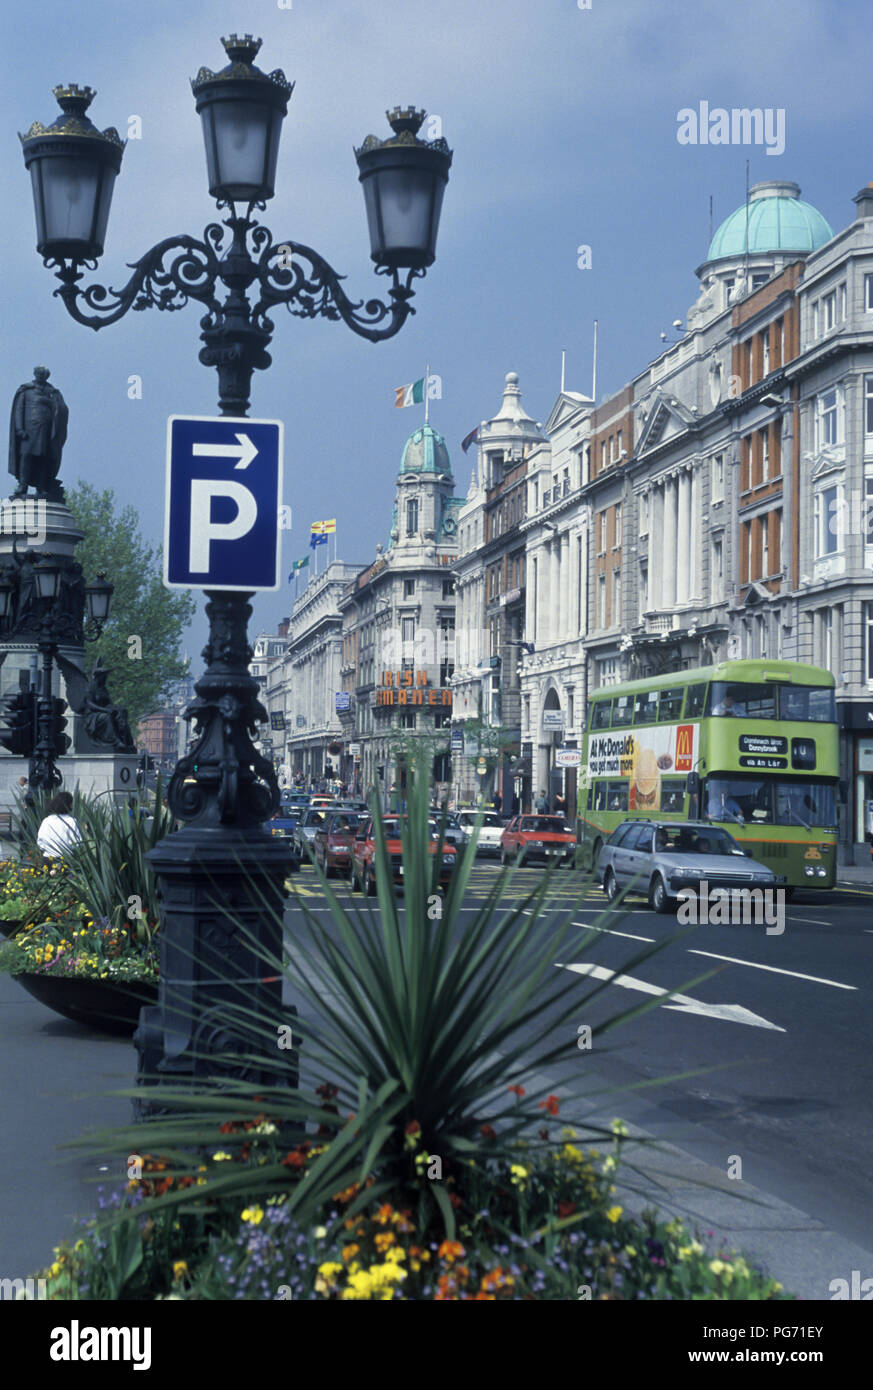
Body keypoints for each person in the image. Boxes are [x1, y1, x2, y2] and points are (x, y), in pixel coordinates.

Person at [37, 791, 82, 859]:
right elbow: (76, 843)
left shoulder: (46, 821)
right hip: (66, 859)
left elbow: (40, 842)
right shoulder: (71, 821)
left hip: (47, 858)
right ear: (69, 805)